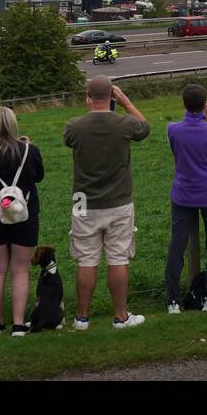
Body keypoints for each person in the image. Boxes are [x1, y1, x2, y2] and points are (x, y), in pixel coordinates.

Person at [63, 76, 151, 329]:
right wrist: (125, 103)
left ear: (88, 96)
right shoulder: (124, 124)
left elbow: (70, 139)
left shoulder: (74, 126)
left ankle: (81, 317)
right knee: (118, 258)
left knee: (86, 260)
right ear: (113, 97)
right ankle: (121, 316)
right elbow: (144, 129)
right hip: (119, 199)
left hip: (84, 201)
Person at [0, 106, 44, 336]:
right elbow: (39, 176)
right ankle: (18, 323)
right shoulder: (29, 151)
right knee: (21, 269)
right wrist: (27, 146)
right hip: (24, 214)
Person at [165, 85, 207, 313]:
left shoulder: (172, 129)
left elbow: (176, 150)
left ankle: (173, 300)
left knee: (177, 246)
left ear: (183, 104)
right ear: (204, 104)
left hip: (183, 193)